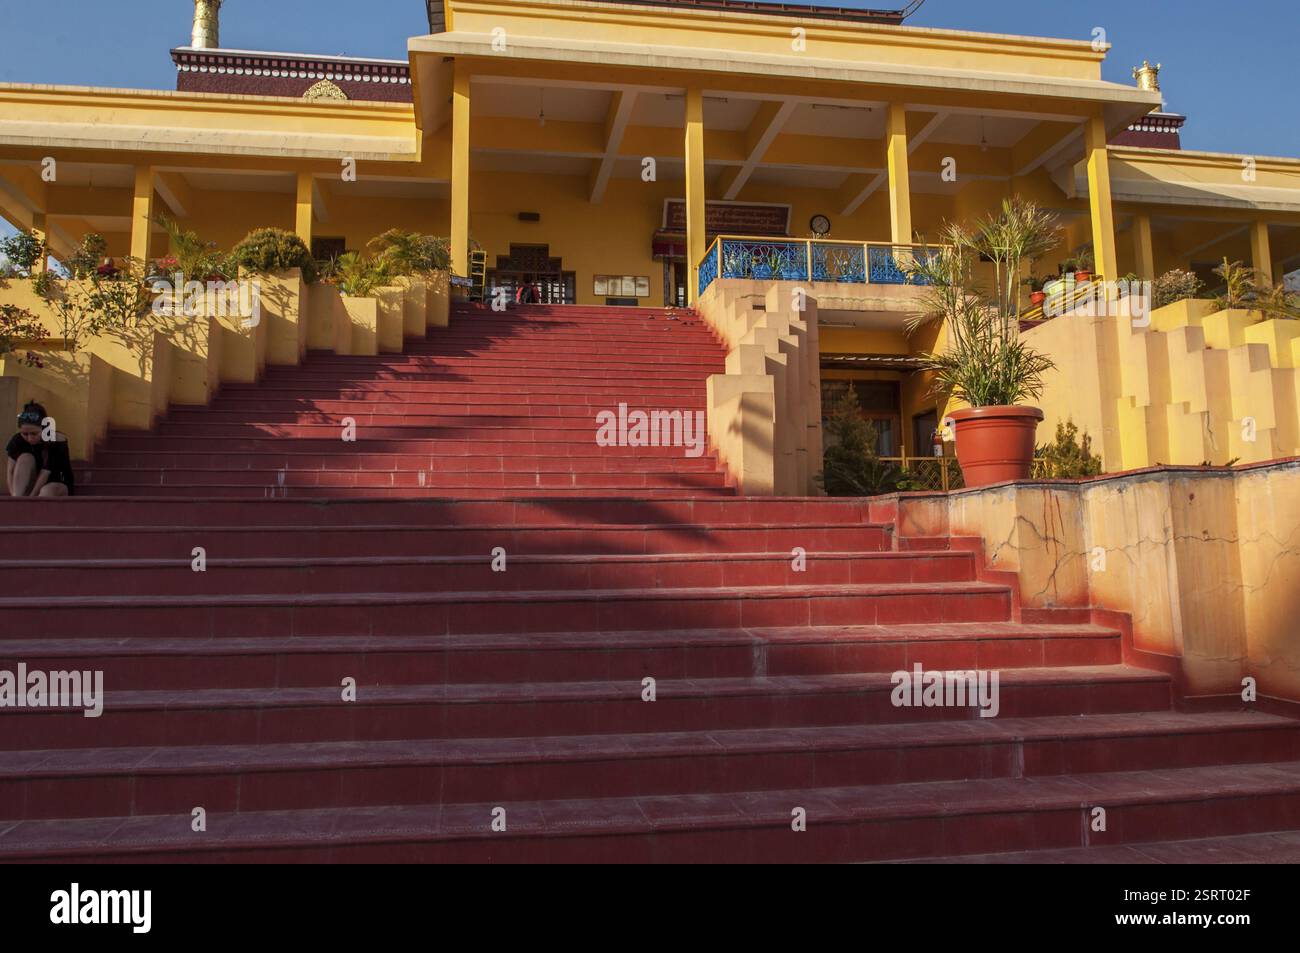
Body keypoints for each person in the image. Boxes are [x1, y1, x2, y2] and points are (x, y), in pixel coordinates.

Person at [6, 401, 75, 498]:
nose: (29, 438)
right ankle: (18, 499)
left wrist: (31, 499)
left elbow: (45, 473)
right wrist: (14, 496)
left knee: (46, 491)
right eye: (25, 434)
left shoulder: (56, 439)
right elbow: (10, 471)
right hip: (32, 481)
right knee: (25, 458)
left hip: (57, 482)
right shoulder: (17, 440)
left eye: (34, 434)